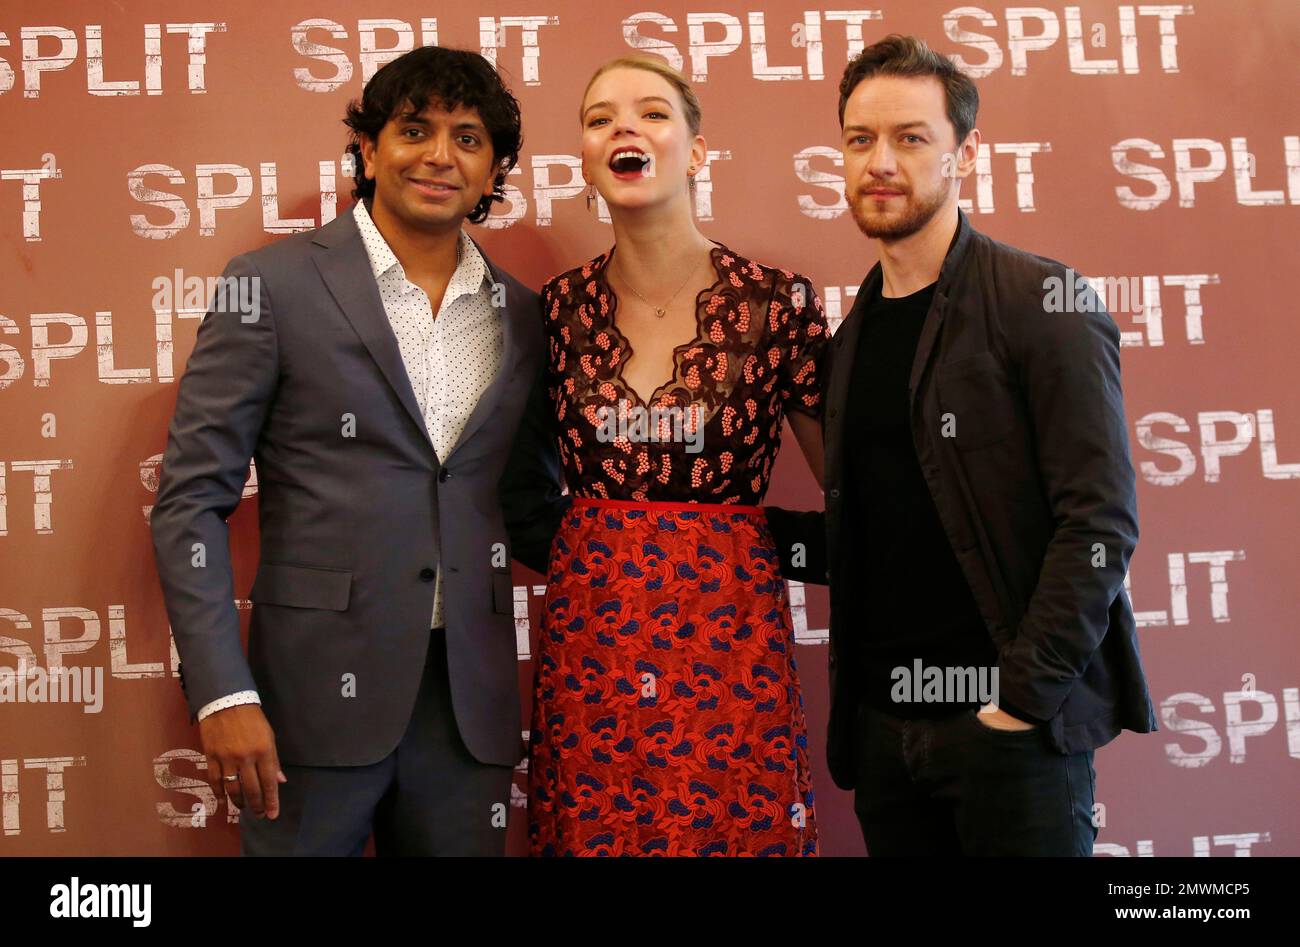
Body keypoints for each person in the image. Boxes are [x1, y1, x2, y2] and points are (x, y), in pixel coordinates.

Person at [151, 46, 566, 856]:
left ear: (494, 173)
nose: (440, 155)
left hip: (468, 716)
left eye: (469, 139)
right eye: (415, 130)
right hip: (306, 708)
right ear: (369, 150)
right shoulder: (269, 285)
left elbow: (525, 505)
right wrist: (221, 691)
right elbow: (190, 501)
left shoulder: (522, 315)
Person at [766, 34, 1158, 856]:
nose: (880, 162)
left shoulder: (1040, 301)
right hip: (884, 736)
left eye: (911, 138)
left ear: (962, 156)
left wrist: (1021, 697)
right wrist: (726, 539)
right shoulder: (851, 339)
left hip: (1010, 740)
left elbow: (1099, 521)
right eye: (860, 139)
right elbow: (884, 531)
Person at [525, 54, 827, 857]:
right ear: (587, 161)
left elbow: (863, 487)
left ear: (697, 150)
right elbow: (512, 489)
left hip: (733, 640)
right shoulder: (553, 313)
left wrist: (756, 543)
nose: (624, 126)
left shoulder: (777, 303)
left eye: (653, 112)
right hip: (594, 645)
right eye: (600, 118)